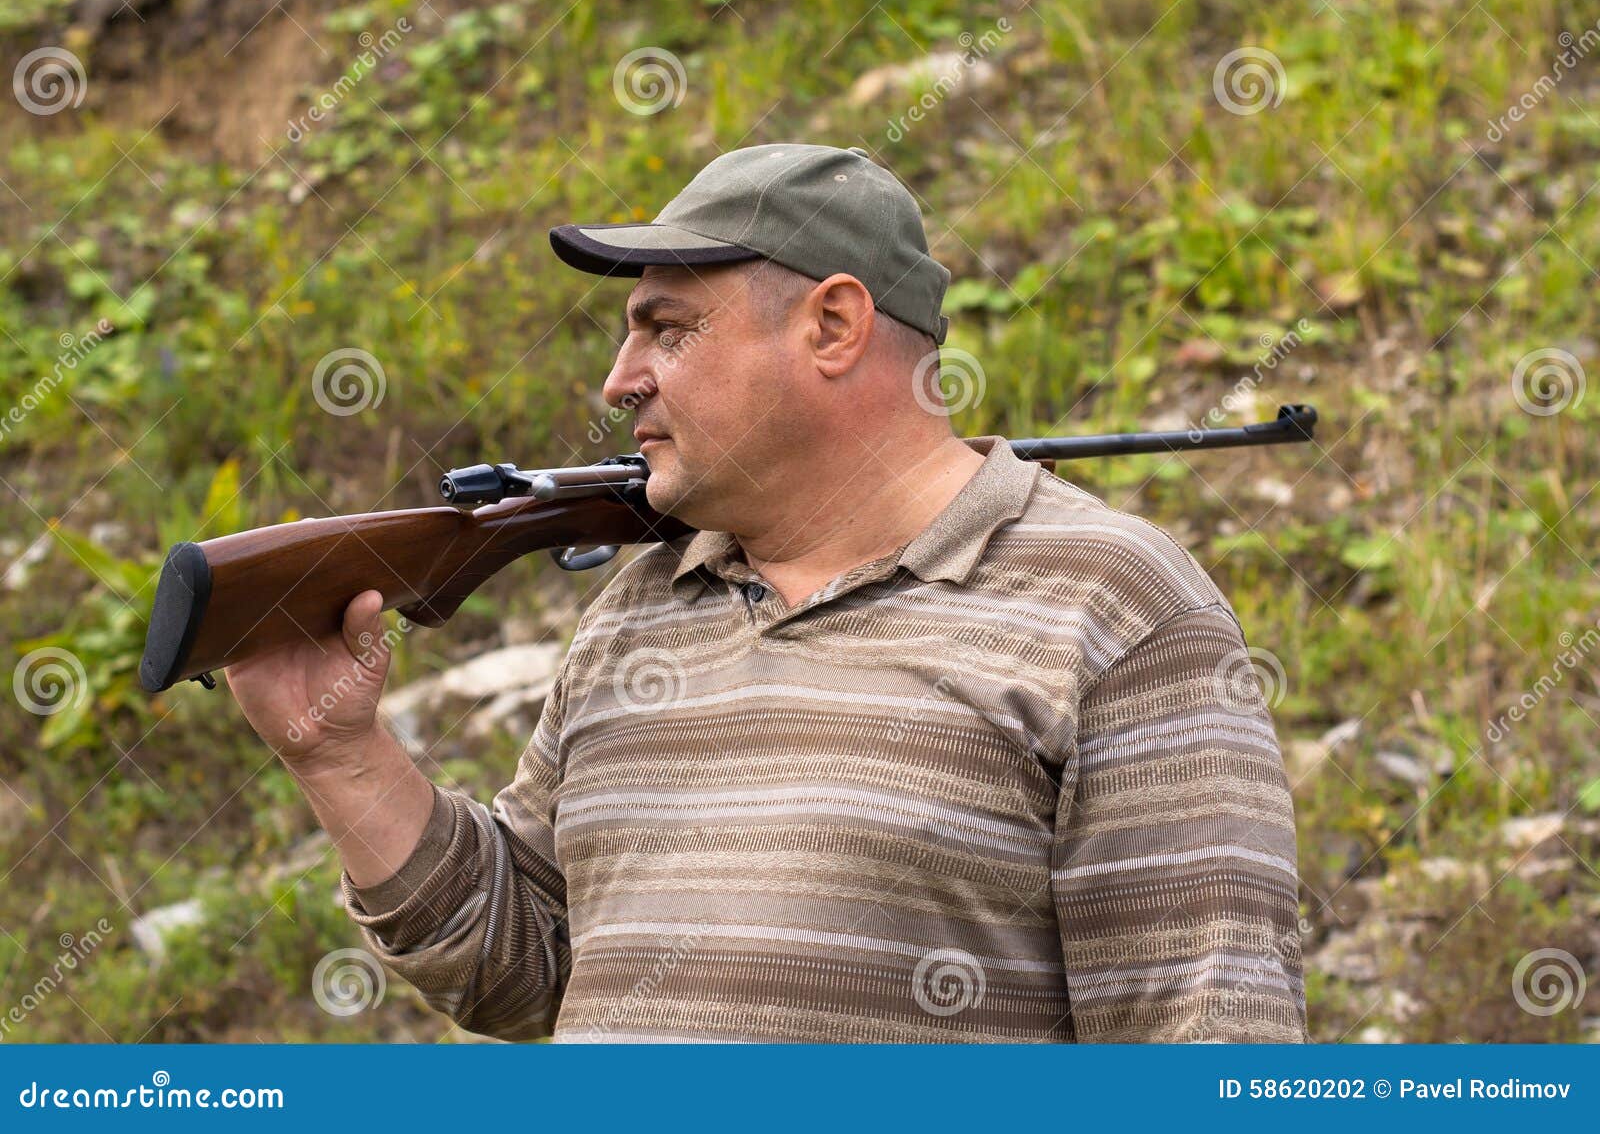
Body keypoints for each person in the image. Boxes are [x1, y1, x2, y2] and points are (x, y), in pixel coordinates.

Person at [225, 143, 1308, 1042]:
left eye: (668, 327)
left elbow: (1203, 1043)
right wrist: (340, 753)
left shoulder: (1112, 607)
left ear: (833, 326)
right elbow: (527, 970)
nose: (619, 377)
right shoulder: (640, 610)